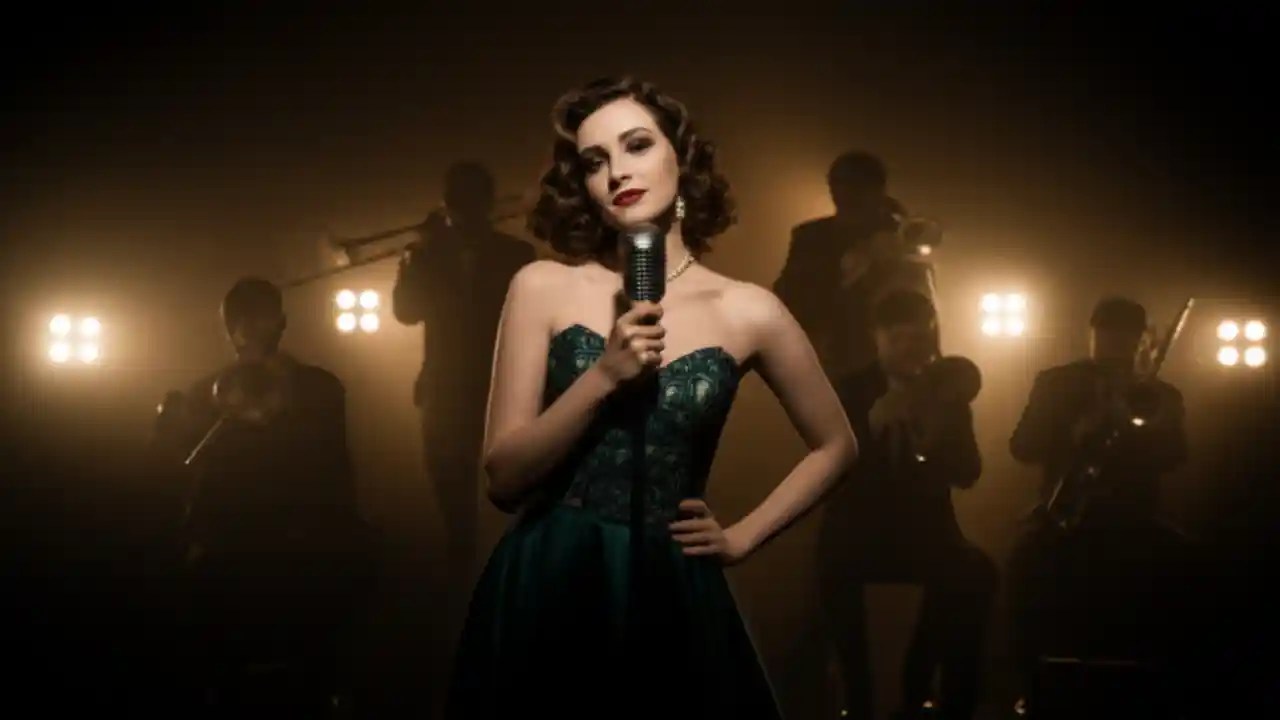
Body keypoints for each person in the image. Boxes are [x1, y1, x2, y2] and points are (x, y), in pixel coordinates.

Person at [444, 76, 858, 719]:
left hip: (672, 587)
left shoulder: (749, 309)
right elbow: (502, 477)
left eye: (636, 145)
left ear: (680, 157)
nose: (616, 173)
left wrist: (743, 537)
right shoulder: (542, 286)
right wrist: (603, 376)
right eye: (594, 161)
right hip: (551, 577)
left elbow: (837, 445)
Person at [163, 277, 369, 713]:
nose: (251, 330)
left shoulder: (320, 389)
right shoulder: (201, 396)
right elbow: (183, 473)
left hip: (296, 546)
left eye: (259, 319)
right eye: (242, 321)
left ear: (282, 324)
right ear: (228, 328)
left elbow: (333, 468)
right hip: (240, 549)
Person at [1006, 296, 1191, 714]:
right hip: (1067, 515)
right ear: (1091, 334)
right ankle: (1028, 682)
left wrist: (1147, 430)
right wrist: (1075, 431)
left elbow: (1177, 457)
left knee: (1185, 566)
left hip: (1135, 518)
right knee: (1023, 569)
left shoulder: (1160, 393)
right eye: (1105, 334)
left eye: (1123, 336)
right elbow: (1022, 447)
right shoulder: (1055, 382)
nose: (1112, 345)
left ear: (1139, 340)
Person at [817, 289, 995, 720]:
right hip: (859, 531)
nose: (908, 350)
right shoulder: (848, 389)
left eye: (917, 339)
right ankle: (857, 698)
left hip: (924, 532)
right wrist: (869, 428)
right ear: (877, 338)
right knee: (833, 566)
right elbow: (825, 470)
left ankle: (927, 689)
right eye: (897, 339)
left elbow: (969, 472)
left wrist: (934, 442)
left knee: (977, 573)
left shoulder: (948, 391)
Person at [391, 162, 536, 608]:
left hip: (501, 386)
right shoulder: (428, 256)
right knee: (450, 489)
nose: (462, 216)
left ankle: (506, 580)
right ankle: (466, 580)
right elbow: (405, 311)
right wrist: (417, 257)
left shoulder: (517, 256)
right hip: (447, 388)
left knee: (511, 492)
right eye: (457, 206)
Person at [773, 151, 937, 380]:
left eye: (860, 186)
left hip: (896, 361)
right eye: (844, 184)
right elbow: (788, 293)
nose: (848, 194)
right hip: (836, 357)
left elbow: (923, 300)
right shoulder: (811, 237)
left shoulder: (896, 232)